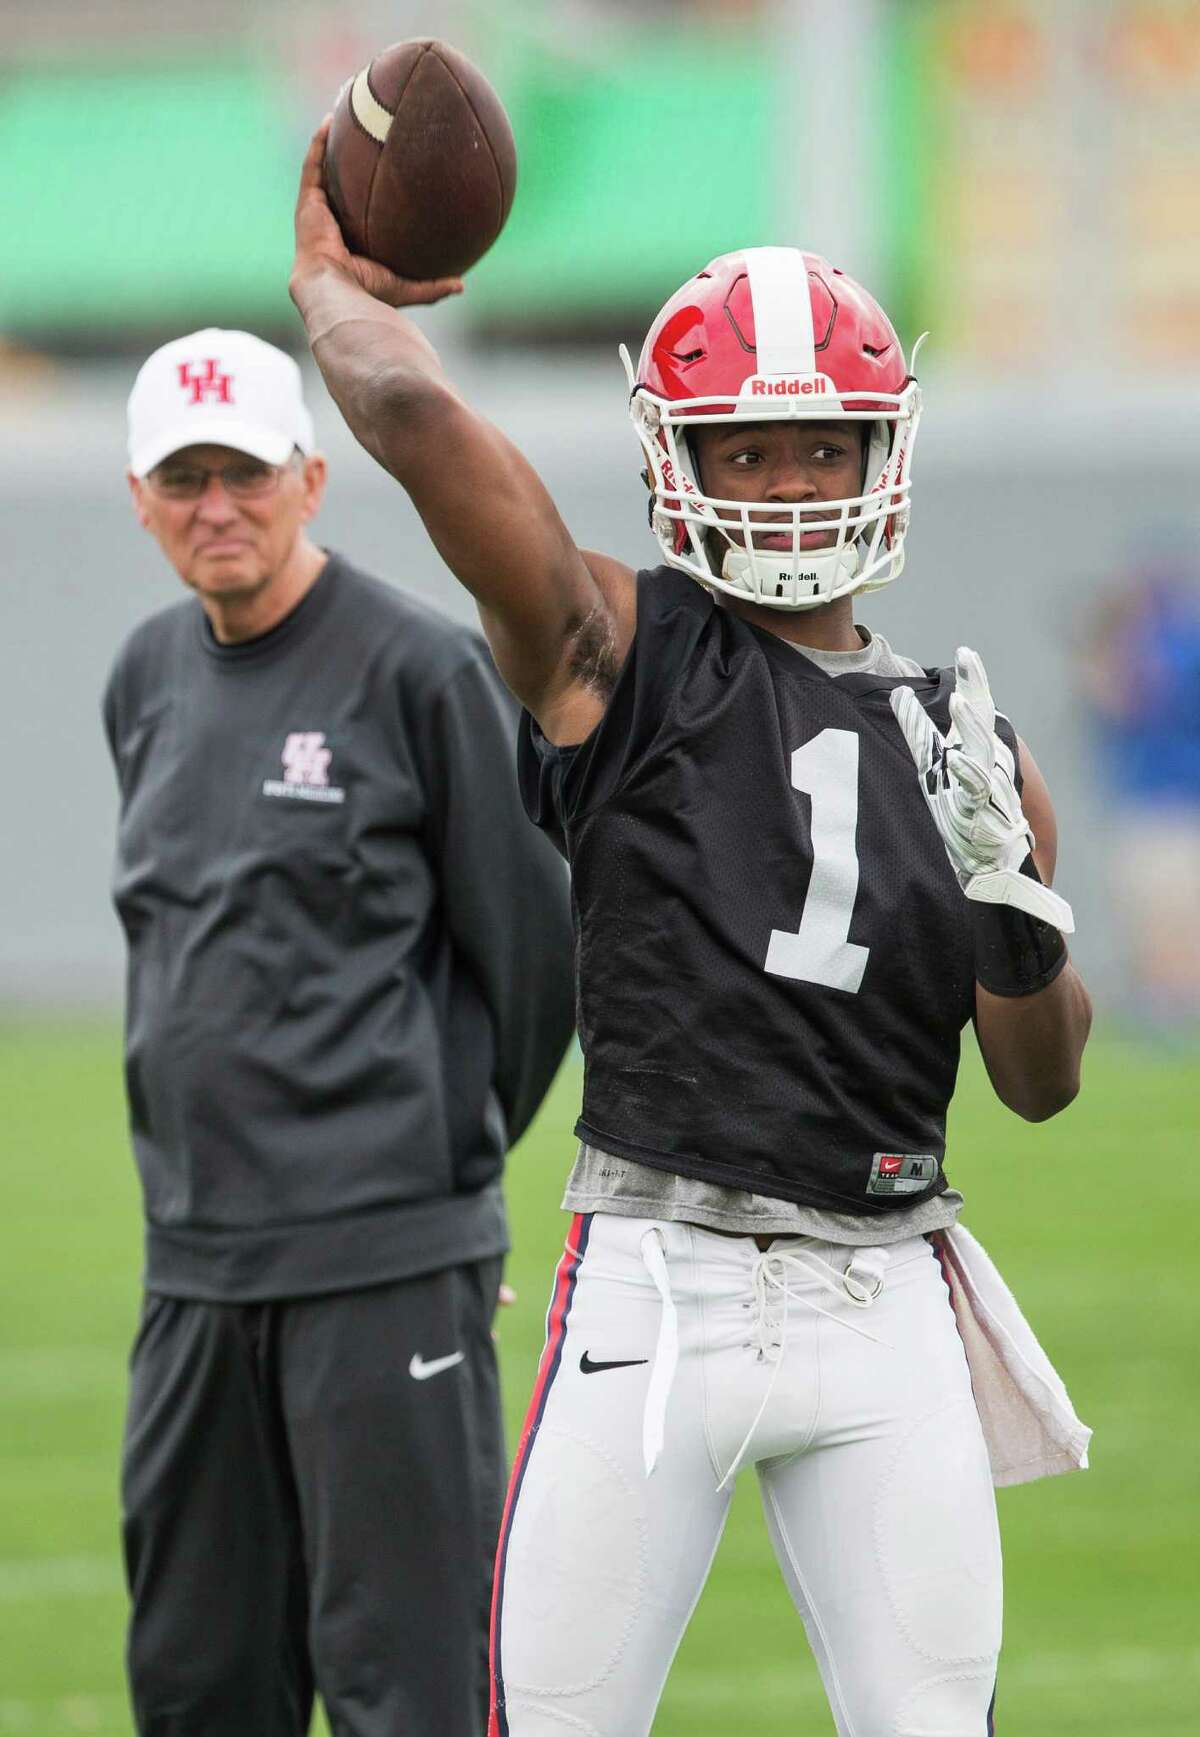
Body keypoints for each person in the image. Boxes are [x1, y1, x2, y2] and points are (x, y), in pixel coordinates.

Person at [288, 120, 1093, 1736]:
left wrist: (1016, 908)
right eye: (747, 450)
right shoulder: (619, 650)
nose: (789, 482)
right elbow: (415, 417)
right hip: (664, 1284)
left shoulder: (967, 739)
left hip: (887, 1294)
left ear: (884, 454)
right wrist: (325, 284)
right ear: (680, 461)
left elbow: (1041, 1078)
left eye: (819, 447)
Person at [104, 325, 575, 1737]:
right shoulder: (144, 678)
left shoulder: (420, 673)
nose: (216, 507)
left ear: (310, 476)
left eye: (244, 473)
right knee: (199, 1688)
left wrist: (435, 1196)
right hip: (193, 1274)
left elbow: (537, 962)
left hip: (380, 1271)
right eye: (182, 479)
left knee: (407, 1688)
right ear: (140, 497)